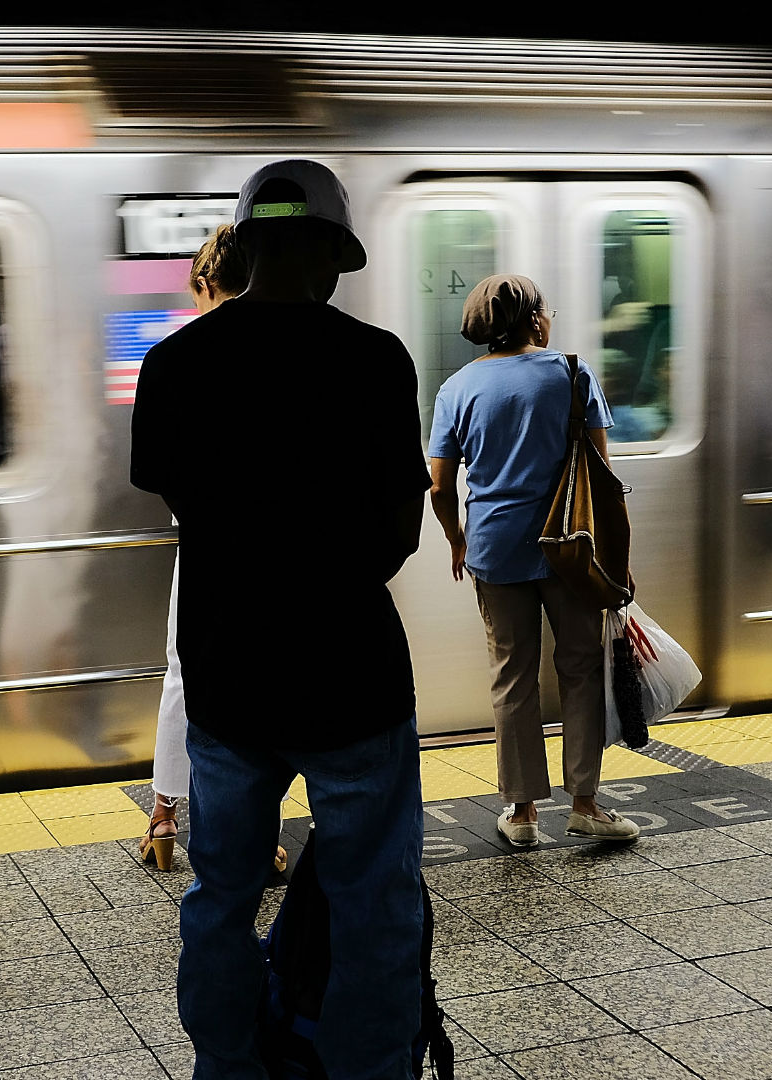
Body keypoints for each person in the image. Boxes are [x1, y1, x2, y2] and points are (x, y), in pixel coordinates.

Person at [132, 160, 429, 1080]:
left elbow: (175, 499)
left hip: (229, 677)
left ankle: (226, 1067)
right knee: (373, 898)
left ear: (245, 247)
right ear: (336, 257)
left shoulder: (175, 362)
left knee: (222, 892)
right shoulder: (376, 360)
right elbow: (398, 534)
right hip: (353, 677)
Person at [427, 274, 640, 848]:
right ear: (534, 320)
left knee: (513, 677)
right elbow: (601, 470)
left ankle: (521, 814)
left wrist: (456, 539)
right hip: (573, 549)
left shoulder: (457, 389)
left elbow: (440, 487)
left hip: (495, 549)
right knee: (580, 670)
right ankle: (587, 804)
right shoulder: (572, 373)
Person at [140, 224, 283, 877]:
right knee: (264, 681)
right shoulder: (285, 353)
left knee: (184, 672)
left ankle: (165, 815)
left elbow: (153, 471)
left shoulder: (177, 355)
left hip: (204, 543)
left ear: (204, 283)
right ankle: (259, 832)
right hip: (278, 545)